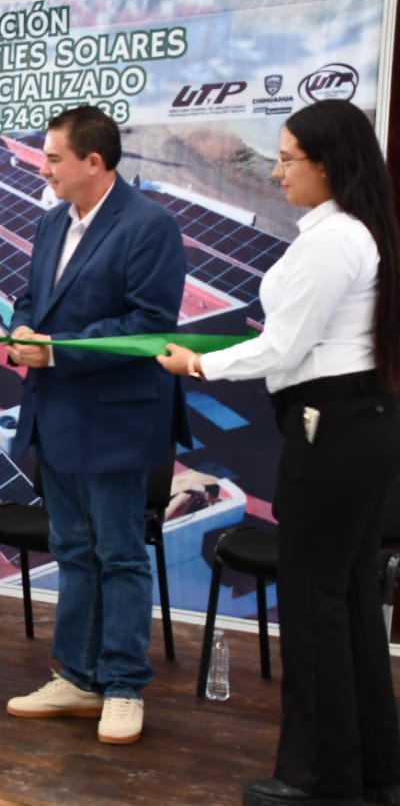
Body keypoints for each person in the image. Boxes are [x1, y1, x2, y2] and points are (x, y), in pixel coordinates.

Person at [159, 99, 400, 806]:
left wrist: (197, 366)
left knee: (315, 604)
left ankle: (317, 779)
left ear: (328, 165)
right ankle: (368, 772)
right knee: (348, 601)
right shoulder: (358, 231)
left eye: (290, 158)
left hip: (331, 432)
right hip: (356, 424)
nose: (277, 169)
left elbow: (282, 348)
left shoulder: (331, 241)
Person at [4, 105, 189, 744]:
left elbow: (147, 324)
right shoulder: (52, 222)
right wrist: (25, 328)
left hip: (113, 418)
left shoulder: (149, 225)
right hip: (56, 412)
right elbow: (31, 296)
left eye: (54, 157)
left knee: (119, 553)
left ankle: (123, 684)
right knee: (74, 550)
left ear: (93, 161)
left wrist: (55, 347)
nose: (44, 167)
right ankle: (79, 676)